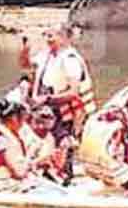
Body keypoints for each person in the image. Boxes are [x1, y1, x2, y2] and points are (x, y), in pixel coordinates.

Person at [30, 24, 97, 178]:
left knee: (65, 144)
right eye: (46, 36)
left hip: (69, 109)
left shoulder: (70, 59)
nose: (47, 40)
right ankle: (50, 172)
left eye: (51, 36)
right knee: (47, 142)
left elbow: (73, 92)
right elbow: (28, 66)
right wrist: (25, 48)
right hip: (52, 106)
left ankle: (65, 176)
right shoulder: (47, 55)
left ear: (63, 38)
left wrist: (46, 99)